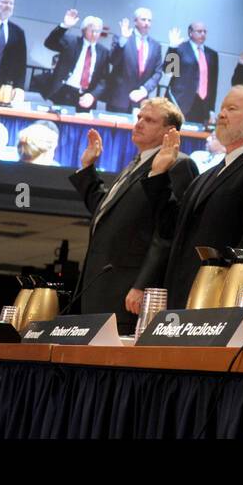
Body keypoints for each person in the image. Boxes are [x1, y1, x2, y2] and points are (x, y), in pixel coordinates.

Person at [139, 87, 243, 309]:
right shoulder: (206, 176)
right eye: (222, 108)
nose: (221, 114)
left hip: (219, 299)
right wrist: (158, 176)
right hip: (186, 296)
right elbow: (171, 229)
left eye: (232, 108)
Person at [69, 98, 198, 334]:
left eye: (149, 120)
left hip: (129, 292)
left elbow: (169, 230)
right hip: (101, 286)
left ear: (170, 131)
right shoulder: (137, 162)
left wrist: (144, 285)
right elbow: (108, 213)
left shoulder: (179, 164)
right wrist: (88, 169)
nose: (139, 123)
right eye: (139, 117)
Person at [44, 10, 111, 111]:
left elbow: (103, 79)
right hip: (65, 92)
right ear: (83, 30)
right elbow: (49, 43)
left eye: (98, 31)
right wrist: (64, 26)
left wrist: (93, 96)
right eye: (91, 30)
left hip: (87, 97)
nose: (94, 34)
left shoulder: (103, 52)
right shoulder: (71, 42)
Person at [108, 8, 164, 114]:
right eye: (143, 19)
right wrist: (123, 41)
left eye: (149, 20)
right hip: (119, 99)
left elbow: (158, 72)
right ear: (135, 21)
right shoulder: (122, 38)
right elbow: (113, 60)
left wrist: (144, 90)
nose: (147, 23)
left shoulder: (156, 46)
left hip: (142, 101)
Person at [167, 21, 218, 124]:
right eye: (199, 31)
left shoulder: (212, 54)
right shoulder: (180, 48)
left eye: (205, 32)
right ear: (190, 33)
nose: (203, 34)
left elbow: (213, 84)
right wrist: (172, 48)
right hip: (180, 102)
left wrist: (211, 109)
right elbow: (170, 71)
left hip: (202, 105)